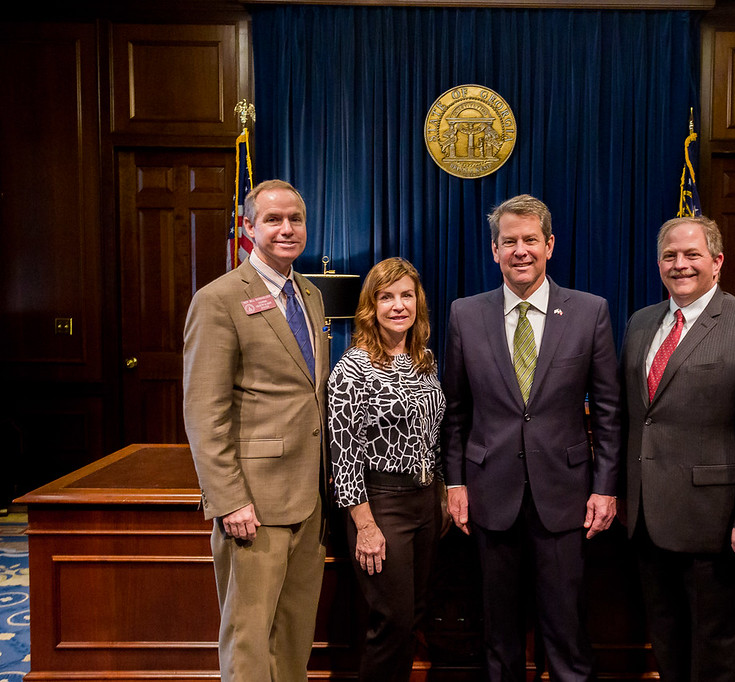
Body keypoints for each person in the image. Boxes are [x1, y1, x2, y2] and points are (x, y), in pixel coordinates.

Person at [442, 194, 621, 682]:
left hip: (565, 498)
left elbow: (608, 412)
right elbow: (454, 412)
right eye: (509, 242)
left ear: (550, 245)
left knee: (565, 629)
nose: (520, 250)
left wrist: (605, 487)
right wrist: (454, 483)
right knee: (498, 633)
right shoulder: (465, 314)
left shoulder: (590, 312)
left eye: (530, 240)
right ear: (493, 250)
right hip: (488, 495)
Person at [620, 215, 735, 682]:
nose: (680, 265)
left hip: (716, 526)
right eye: (669, 256)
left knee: (716, 652)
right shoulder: (641, 324)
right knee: (668, 643)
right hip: (647, 522)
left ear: (717, 262)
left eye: (691, 254)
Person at [183, 179, 328, 681]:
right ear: (248, 228)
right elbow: (204, 410)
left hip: (310, 499)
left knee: (292, 636)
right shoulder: (219, 299)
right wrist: (228, 499)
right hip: (253, 503)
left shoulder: (309, 294)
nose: (287, 229)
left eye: (295, 219)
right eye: (273, 219)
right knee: (249, 638)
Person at [328, 257, 445, 682]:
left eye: (406, 296)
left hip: (425, 503)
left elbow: (431, 434)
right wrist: (366, 525)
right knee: (390, 622)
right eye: (387, 297)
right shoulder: (351, 369)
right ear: (370, 307)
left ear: (418, 303)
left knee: (412, 618)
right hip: (381, 507)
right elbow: (344, 456)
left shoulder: (425, 360)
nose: (399, 306)